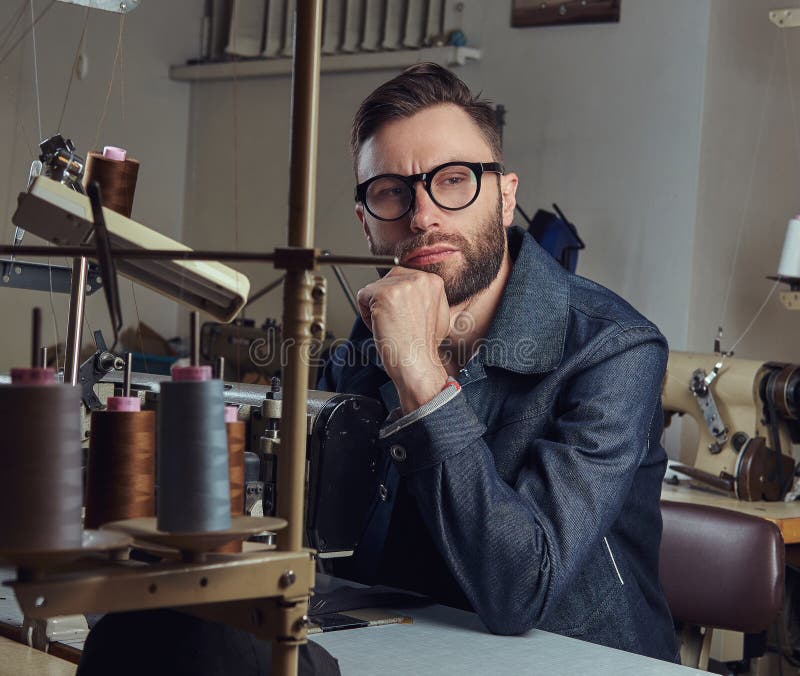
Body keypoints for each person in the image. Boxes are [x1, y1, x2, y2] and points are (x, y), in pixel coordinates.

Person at [318, 62, 678, 662]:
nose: (423, 215)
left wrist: (421, 377)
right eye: (390, 192)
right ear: (365, 221)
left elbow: (519, 589)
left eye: (453, 180)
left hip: (574, 661)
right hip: (409, 647)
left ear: (505, 196)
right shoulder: (371, 326)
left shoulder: (614, 350)